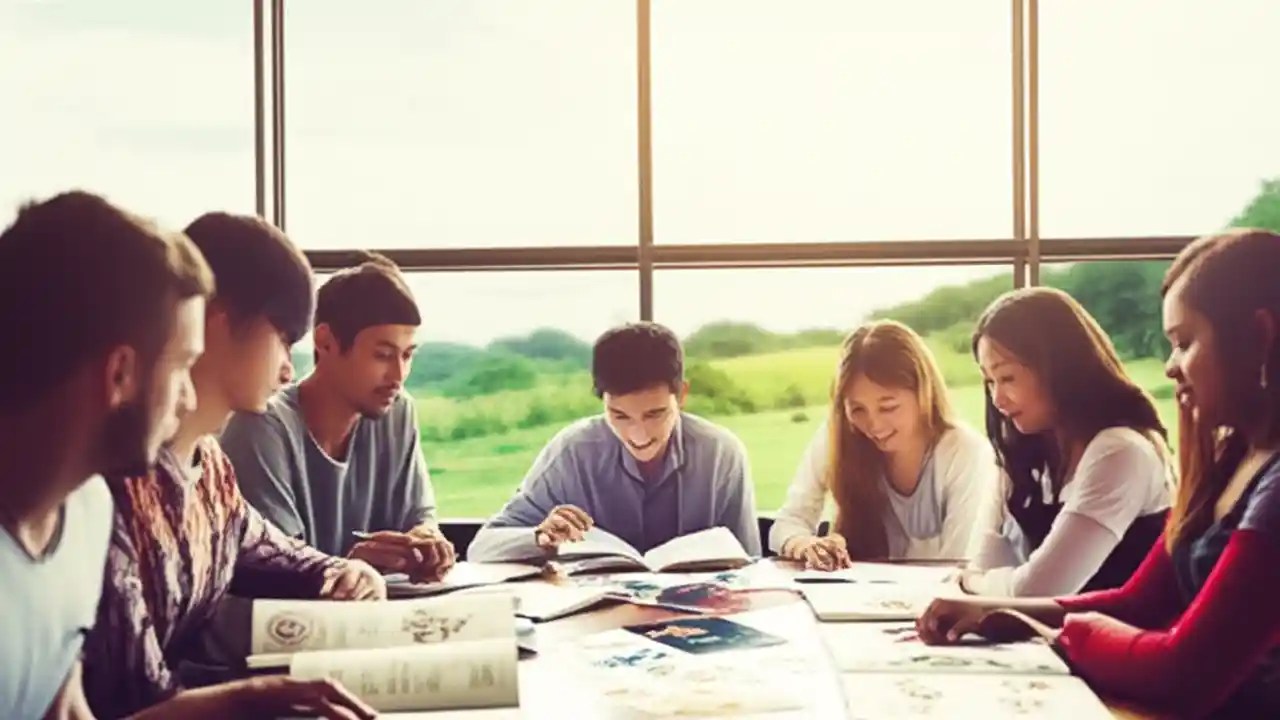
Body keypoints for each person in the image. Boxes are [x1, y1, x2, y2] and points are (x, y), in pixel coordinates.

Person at [0, 193, 373, 720]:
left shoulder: (83, 515)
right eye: (181, 367)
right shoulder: (106, 510)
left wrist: (251, 698)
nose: (189, 398)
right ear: (120, 374)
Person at [917, 229, 1280, 717]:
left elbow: (1185, 671)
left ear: (1259, 337)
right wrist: (1001, 616)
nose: (1171, 367)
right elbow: (1139, 603)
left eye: (1184, 342)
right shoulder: (1234, 456)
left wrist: (1063, 632)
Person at [223, 254, 454, 582]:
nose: (399, 375)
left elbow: (418, 516)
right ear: (325, 342)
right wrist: (347, 566)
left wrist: (426, 540)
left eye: (407, 355)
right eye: (383, 355)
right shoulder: (262, 424)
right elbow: (272, 570)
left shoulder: (398, 411)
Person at [468, 322, 762, 562]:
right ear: (602, 401)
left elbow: (749, 561)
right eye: (619, 415)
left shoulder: (723, 455)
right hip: (595, 623)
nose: (639, 436)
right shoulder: (572, 452)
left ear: (682, 395)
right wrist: (540, 538)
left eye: (655, 414)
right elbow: (482, 547)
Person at [956, 287, 1174, 597]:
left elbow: (1036, 590)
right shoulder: (1025, 451)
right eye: (989, 381)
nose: (998, 399)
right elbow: (985, 558)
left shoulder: (1119, 451)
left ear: (1059, 367)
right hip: (1044, 639)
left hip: (1115, 639)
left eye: (1007, 378)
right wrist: (980, 581)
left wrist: (974, 583)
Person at [769, 320, 997, 568]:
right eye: (857, 409)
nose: (874, 425)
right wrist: (805, 544)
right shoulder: (838, 436)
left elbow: (959, 565)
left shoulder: (964, 453)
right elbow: (788, 522)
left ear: (923, 393)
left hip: (937, 601)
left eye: (888, 407)